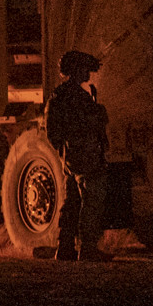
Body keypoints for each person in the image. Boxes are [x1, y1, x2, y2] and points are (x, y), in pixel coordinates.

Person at [46, 50, 111, 260]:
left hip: (71, 154)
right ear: (75, 70)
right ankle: (88, 248)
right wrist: (98, 111)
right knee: (92, 199)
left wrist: (64, 149)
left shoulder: (59, 95)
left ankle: (64, 247)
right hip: (85, 154)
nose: (88, 73)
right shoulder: (78, 97)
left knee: (72, 200)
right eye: (84, 69)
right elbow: (94, 122)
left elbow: (53, 132)